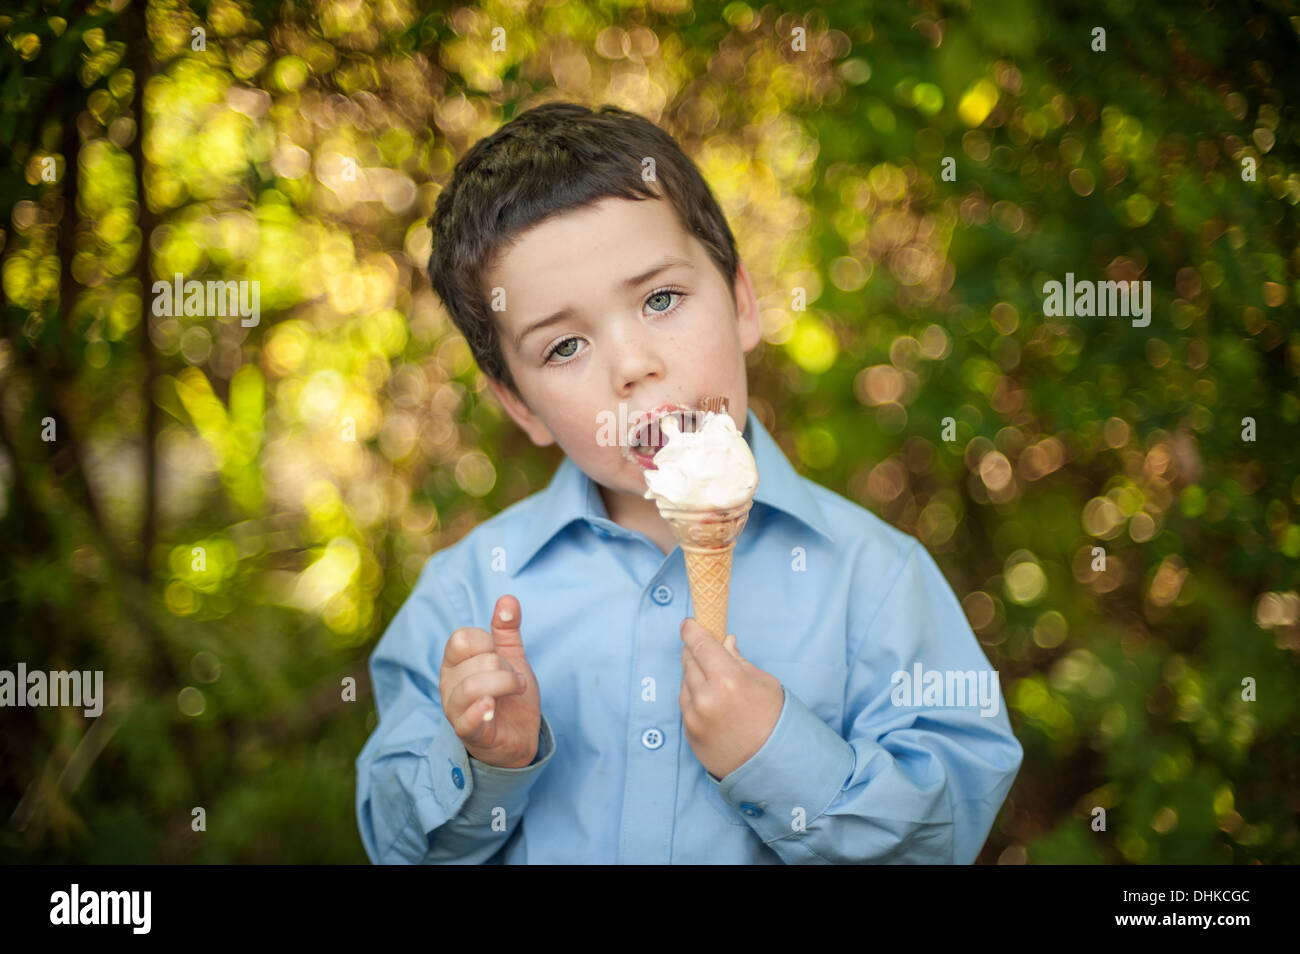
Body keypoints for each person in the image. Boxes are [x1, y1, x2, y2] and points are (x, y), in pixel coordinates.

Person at [355, 102, 1022, 863]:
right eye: (565, 345)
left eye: (660, 300)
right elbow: (396, 844)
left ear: (741, 302)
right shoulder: (463, 598)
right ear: (519, 403)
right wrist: (483, 768)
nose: (633, 364)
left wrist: (778, 755)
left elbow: (944, 836)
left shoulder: (877, 581)